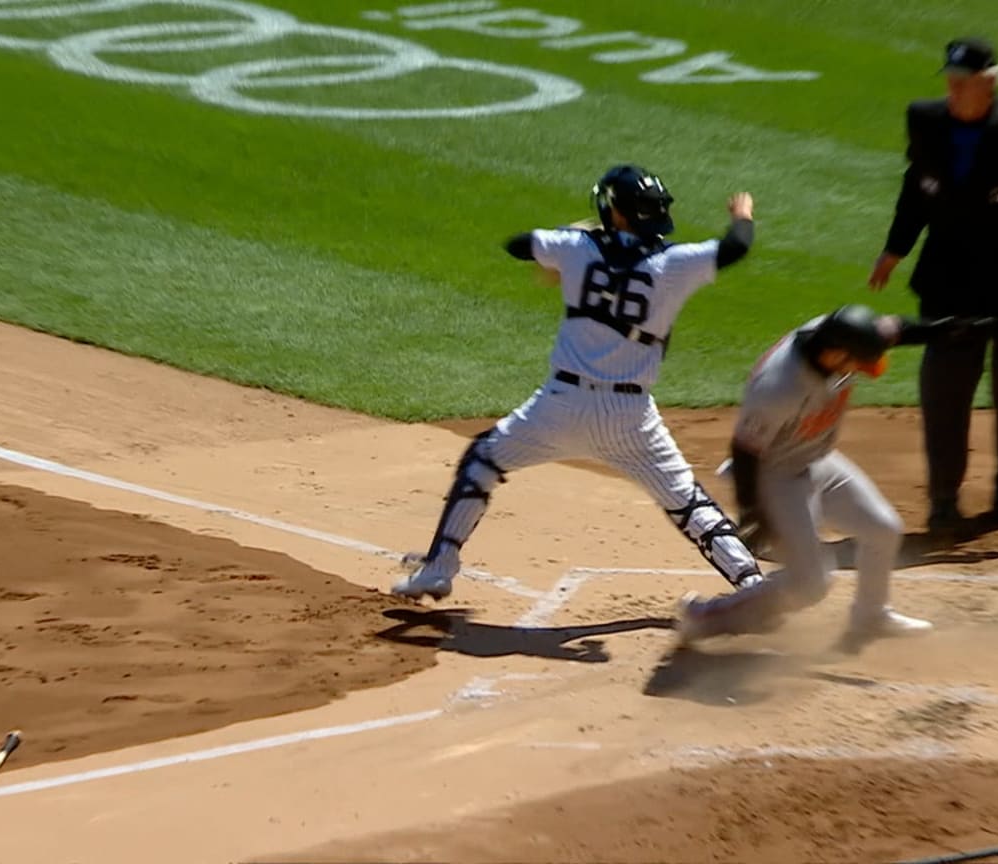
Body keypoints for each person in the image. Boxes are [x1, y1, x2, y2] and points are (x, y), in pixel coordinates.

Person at [394, 165, 766, 601]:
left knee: (482, 461)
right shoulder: (676, 263)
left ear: (617, 213)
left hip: (558, 408)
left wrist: (572, 239)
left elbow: (518, 244)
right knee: (687, 503)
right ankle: (751, 583)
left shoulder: (576, 247)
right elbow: (736, 246)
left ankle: (439, 569)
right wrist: (742, 214)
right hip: (631, 419)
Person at [867, 36, 998, 534]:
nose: (953, 90)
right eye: (950, 80)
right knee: (944, 386)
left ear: (989, 82)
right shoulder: (926, 119)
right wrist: (896, 248)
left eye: (963, 82)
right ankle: (944, 497)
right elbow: (916, 186)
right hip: (947, 279)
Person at [675, 304, 938, 646]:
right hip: (773, 476)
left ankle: (871, 617)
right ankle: (704, 617)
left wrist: (956, 329)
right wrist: (753, 512)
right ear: (836, 353)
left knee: (884, 530)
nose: (860, 370)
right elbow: (745, 450)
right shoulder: (778, 388)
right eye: (857, 363)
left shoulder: (840, 334)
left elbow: (896, 329)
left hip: (814, 458)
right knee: (810, 585)